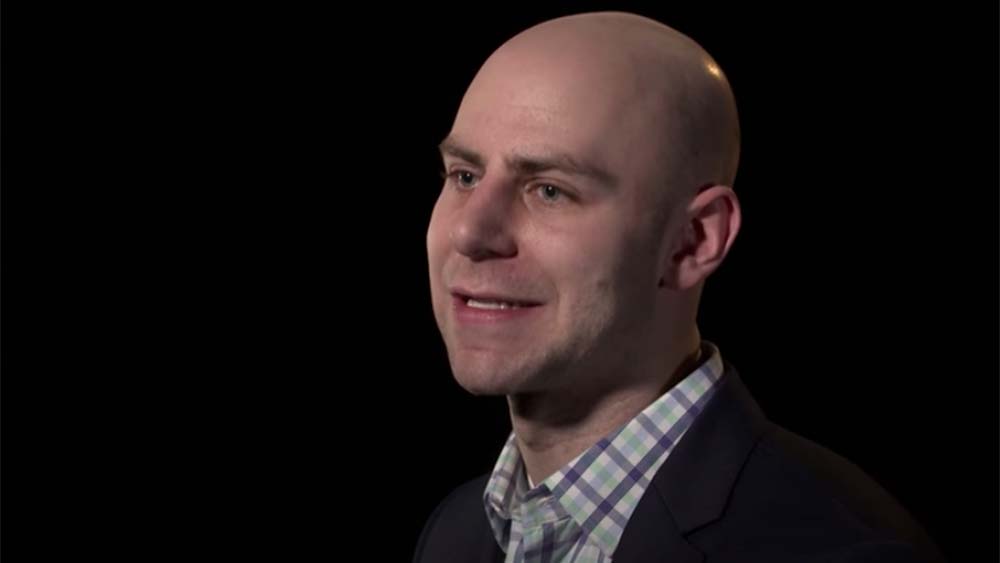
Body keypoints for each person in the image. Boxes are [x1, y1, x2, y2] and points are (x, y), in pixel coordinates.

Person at [414, 11, 944, 563]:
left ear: (693, 241)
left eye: (549, 190)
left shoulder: (841, 550)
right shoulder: (457, 531)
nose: (470, 232)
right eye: (464, 176)